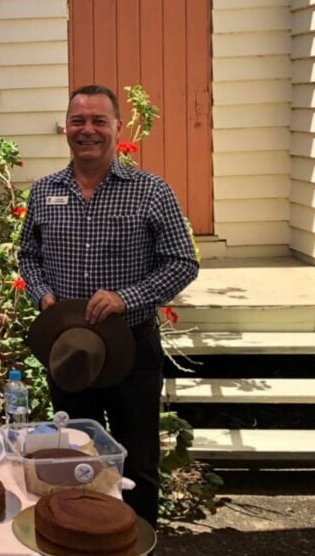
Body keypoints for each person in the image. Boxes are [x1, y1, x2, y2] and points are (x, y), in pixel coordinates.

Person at [18, 84, 199, 527]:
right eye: (78, 121)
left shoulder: (151, 190)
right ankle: (83, 546)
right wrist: (41, 293)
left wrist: (125, 297)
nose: (88, 130)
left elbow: (183, 262)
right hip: (69, 350)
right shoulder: (45, 191)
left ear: (117, 128)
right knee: (73, 456)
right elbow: (29, 256)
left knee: (136, 463)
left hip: (130, 349)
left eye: (99, 120)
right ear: (66, 128)